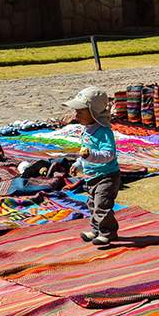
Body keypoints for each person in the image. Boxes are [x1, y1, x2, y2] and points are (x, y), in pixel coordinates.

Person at [63, 86, 120, 246]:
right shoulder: (87, 131)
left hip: (107, 176)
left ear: (94, 112)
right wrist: (79, 164)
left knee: (102, 205)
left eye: (81, 111)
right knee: (92, 205)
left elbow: (109, 155)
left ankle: (108, 233)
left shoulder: (104, 132)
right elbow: (84, 154)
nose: (76, 115)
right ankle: (96, 230)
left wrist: (90, 155)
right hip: (92, 176)